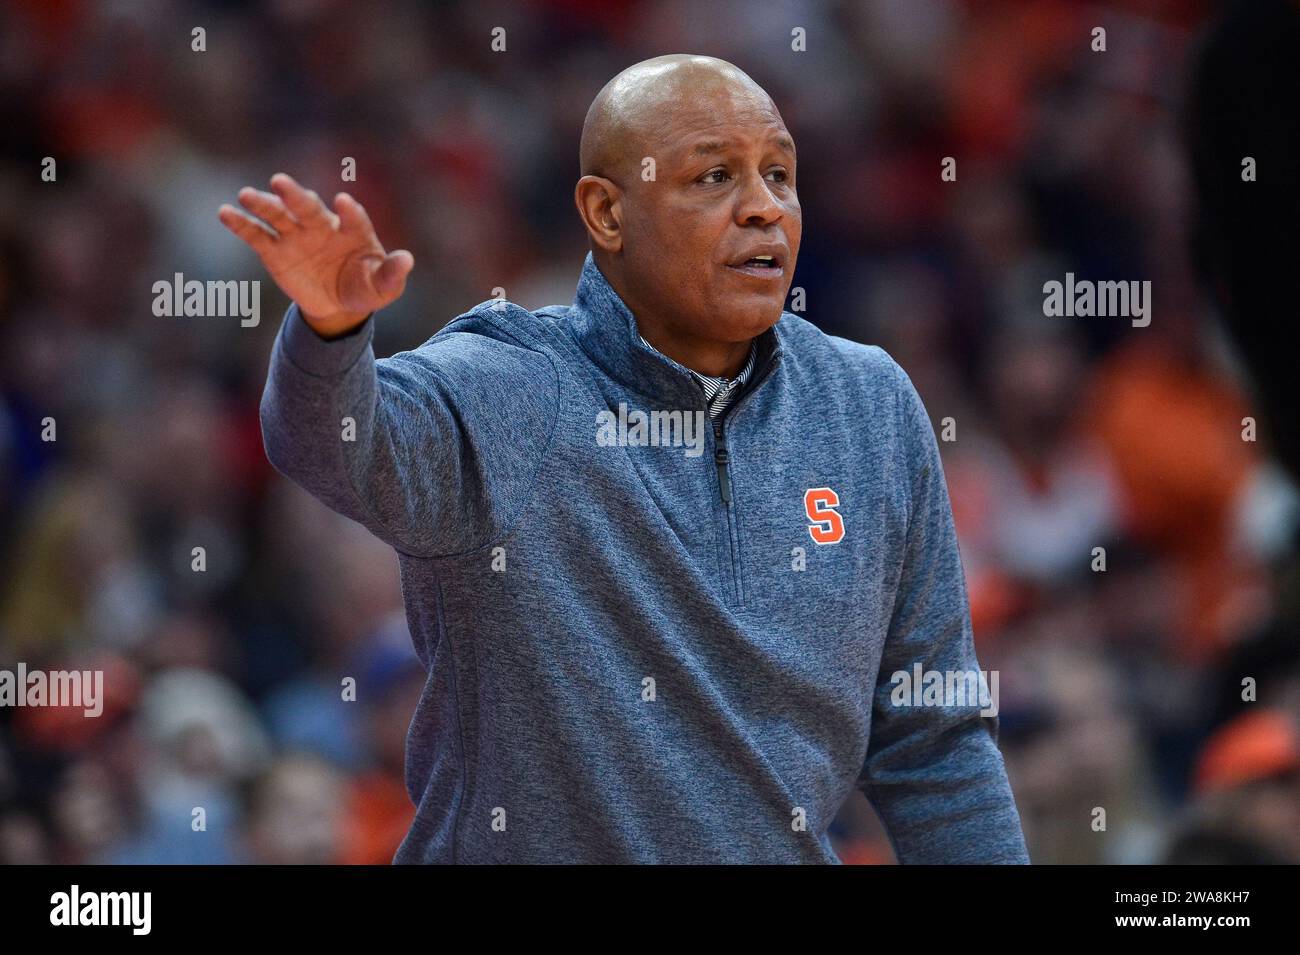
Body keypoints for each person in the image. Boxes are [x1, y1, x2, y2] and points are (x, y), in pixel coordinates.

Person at [218, 54, 1028, 864]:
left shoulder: (868, 405)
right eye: (714, 176)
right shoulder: (513, 385)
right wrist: (330, 330)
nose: (764, 209)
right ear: (607, 213)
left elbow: (933, 738)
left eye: (780, 174)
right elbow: (333, 447)